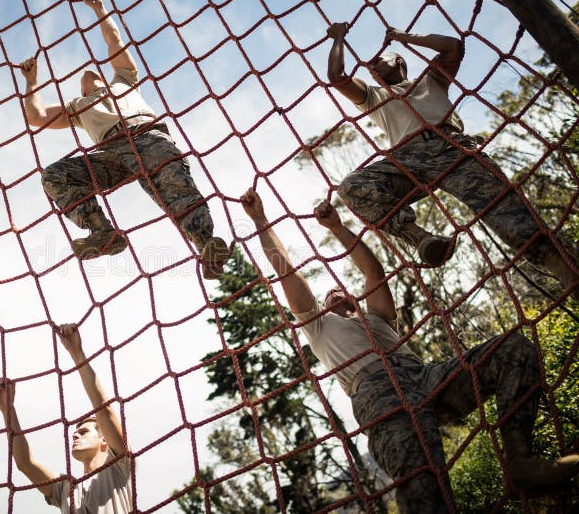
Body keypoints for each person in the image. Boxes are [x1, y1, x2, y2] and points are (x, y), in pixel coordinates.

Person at [240, 187, 579, 512]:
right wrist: (260, 221)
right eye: (327, 294)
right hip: (378, 394)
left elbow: (373, 272)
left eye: (339, 288)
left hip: (425, 376)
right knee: (422, 482)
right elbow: (286, 273)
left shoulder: (378, 319)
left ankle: (521, 463)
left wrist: (338, 227)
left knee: (513, 349)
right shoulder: (317, 326)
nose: (334, 291)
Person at [325, 22, 578, 297]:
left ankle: (565, 269)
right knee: (351, 186)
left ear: (398, 60)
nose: (372, 67)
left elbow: (453, 47)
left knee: (504, 210)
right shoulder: (374, 96)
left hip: (451, 147)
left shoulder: (430, 80)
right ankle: (418, 237)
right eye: (369, 67)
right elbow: (337, 77)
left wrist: (403, 37)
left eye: (378, 61)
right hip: (406, 158)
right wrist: (338, 39)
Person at [19, 0, 231, 279]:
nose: (89, 74)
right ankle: (102, 231)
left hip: (146, 135)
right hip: (113, 152)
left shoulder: (124, 80)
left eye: (95, 73)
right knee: (55, 175)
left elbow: (114, 42)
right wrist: (31, 82)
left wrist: (99, 9)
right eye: (85, 80)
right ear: (81, 92)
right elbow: (37, 117)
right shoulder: (77, 109)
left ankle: (206, 245)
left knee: (172, 186)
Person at [0, 323, 131, 512]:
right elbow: (25, 464)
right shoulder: (66, 489)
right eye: (75, 433)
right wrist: (8, 410)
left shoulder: (119, 464)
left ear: (104, 439)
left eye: (83, 432)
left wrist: (77, 353)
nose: (75, 435)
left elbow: (104, 410)